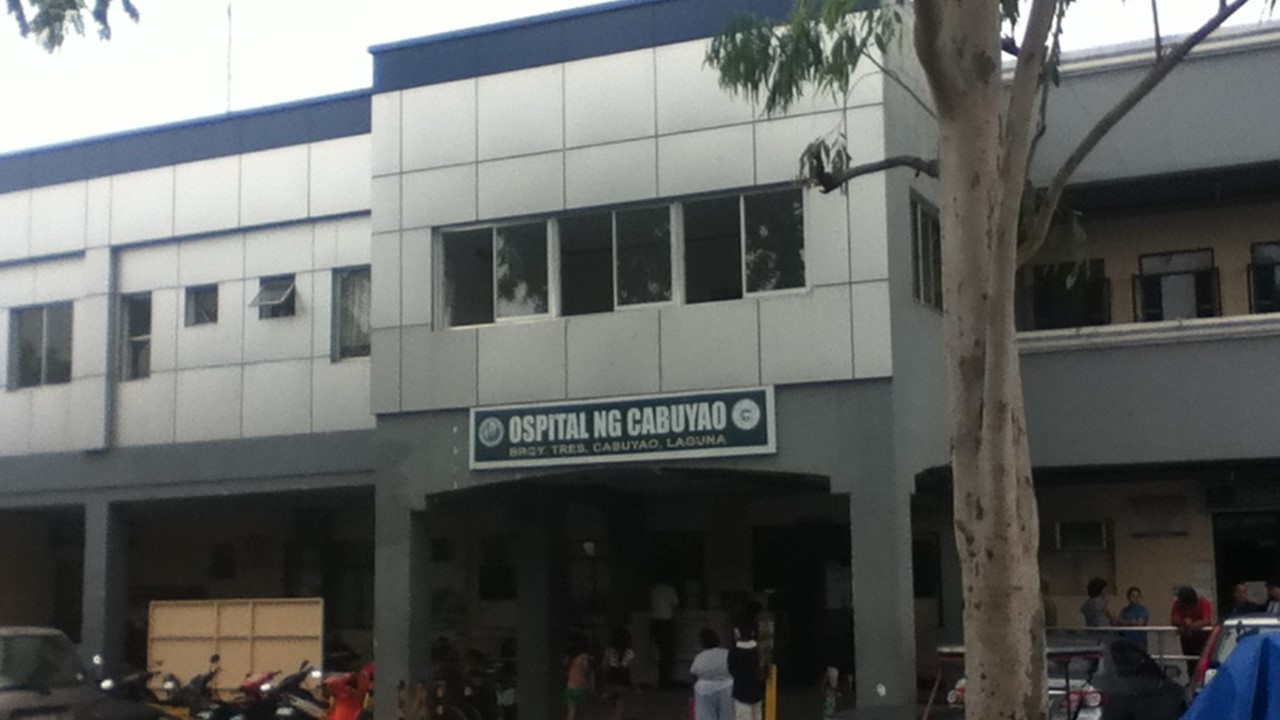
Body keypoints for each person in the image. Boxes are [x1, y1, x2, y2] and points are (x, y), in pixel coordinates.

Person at [690, 628, 733, 720]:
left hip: (704, 689)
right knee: (727, 715)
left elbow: (693, 674)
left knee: (706, 715)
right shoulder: (726, 653)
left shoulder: (700, 657)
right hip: (727, 687)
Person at [1171, 586, 1213, 677]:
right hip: (1187, 640)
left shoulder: (1202, 602)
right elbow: (1174, 619)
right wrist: (1184, 622)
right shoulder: (1178, 604)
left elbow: (1206, 620)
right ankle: (1192, 681)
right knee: (1190, 664)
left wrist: (1192, 625)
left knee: (1204, 663)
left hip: (1202, 639)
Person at [727, 625, 765, 720]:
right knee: (757, 716)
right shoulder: (758, 649)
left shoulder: (734, 650)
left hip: (741, 691)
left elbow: (731, 669)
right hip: (757, 691)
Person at [650, 579, 680, 687]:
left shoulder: (654, 590)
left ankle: (661, 680)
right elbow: (675, 606)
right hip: (666, 621)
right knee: (668, 652)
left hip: (655, 621)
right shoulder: (670, 590)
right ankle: (666, 680)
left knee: (661, 651)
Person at [602, 627, 636, 720]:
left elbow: (604, 666)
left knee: (611, 709)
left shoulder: (609, 651)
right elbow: (631, 670)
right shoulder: (629, 653)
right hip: (624, 683)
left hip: (611, 682)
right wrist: (634, 685)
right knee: (621, 709)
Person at [565, 636, 592, 720]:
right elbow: (586, 670)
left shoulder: (571, 658)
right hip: (581, 685)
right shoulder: (585, 657)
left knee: (571, 711)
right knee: (582, 712)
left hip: (571, 685)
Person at [1115, 587, 1150, 651]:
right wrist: (1130, 622)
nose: (1135, 598)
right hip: (1126, 644)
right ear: (1128, 597)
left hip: (1139, 644)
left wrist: (1126, 622)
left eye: (1138, 596)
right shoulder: (1125, 611)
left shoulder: (1143, 610)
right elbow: (1118, 622)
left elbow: (1139, 623)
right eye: (1133, 596)